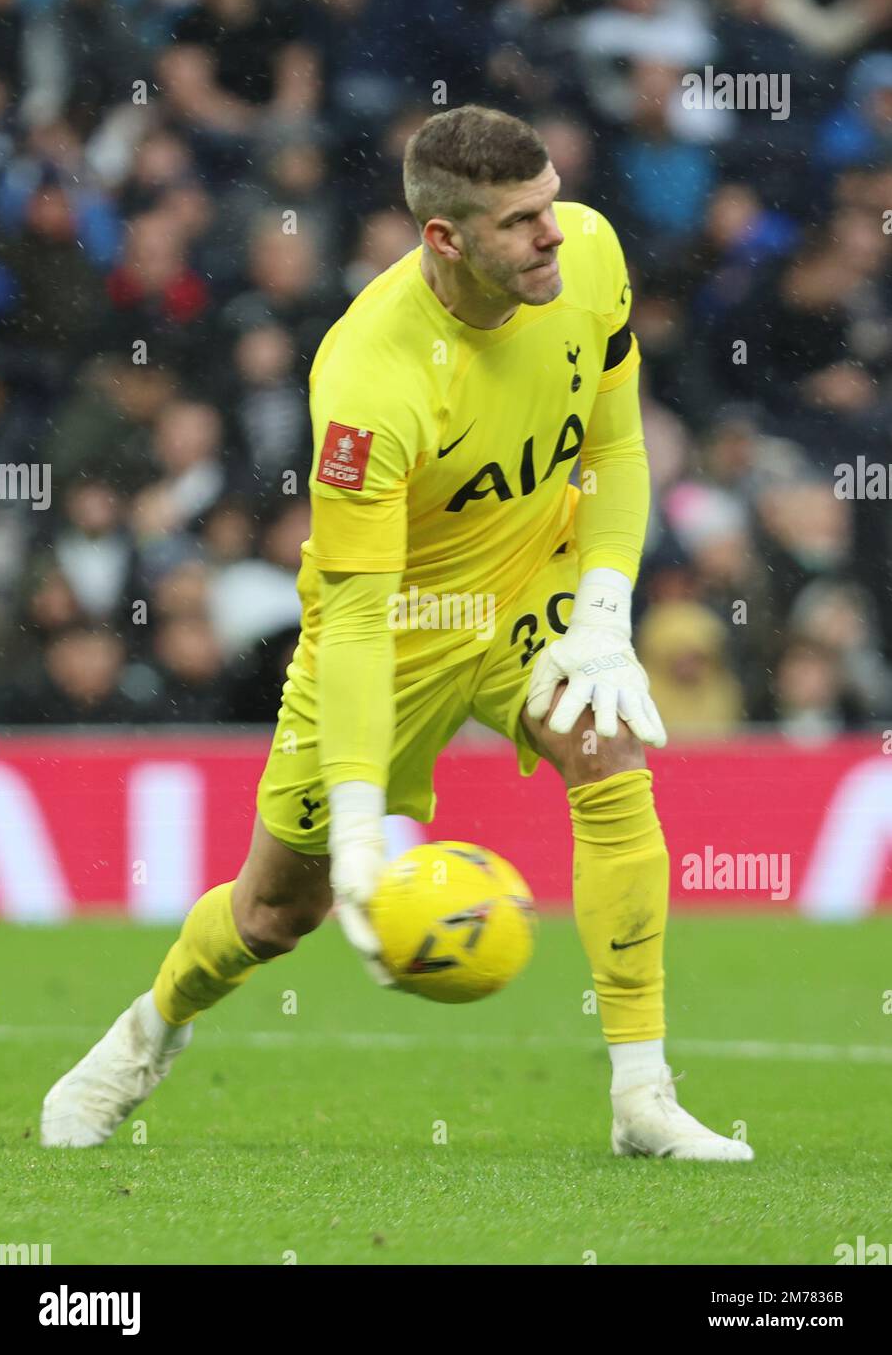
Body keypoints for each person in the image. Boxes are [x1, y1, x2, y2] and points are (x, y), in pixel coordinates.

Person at [41, 105, 752, 1162]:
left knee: (609, 756)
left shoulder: (592, 253)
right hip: (400, 626)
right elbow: (363, 617)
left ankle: (642, 1094)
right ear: (444, 239)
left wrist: (604, 611)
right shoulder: (370, 380)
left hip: (529, 594)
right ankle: (143, 1035)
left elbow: (612, 445)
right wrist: (368, 836)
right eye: (519, 222)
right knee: (277, 912)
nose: (553, 234)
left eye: (549, 204)